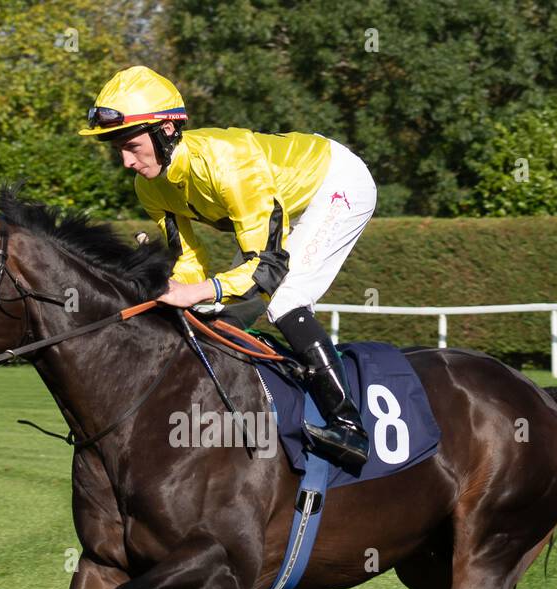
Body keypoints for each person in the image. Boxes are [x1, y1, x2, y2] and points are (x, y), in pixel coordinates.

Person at [78, 65, 376, 469]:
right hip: (286, 202)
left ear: (167, 130)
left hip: (335, 183)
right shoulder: (150, 186)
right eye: (118, 149)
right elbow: (189, 261)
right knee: (223, 318)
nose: (127, 161)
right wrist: (168, 289)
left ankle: (349, 427)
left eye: (132, 146)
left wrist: (197, 291)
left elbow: (266, 267)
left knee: (284, 298)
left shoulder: (229, 165)